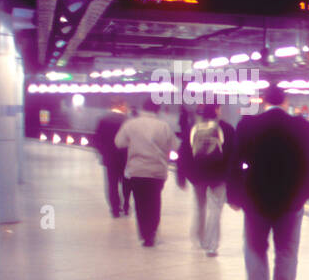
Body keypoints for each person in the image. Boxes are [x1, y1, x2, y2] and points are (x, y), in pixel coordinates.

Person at [227, 84, 309, 280]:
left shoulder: (248, 125)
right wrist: (301, 196)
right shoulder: (302, 126)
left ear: (263, 101)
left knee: (254, 248)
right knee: (287, 252)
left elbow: (234, 163)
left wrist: (234, 196)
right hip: (290, 203)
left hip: (255, 200)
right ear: (285, 101)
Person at [114, 99, 177, 247]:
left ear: (143, 108)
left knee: (140, 203)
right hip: (157, 171)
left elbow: (119, 142)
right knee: (155, 202)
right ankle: (152, 232)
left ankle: (144, 234)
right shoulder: (164, 126)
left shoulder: (131, 124)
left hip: (137, 170)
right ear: (157, 110)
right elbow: (174, 145)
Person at [178, 102, 235, 256]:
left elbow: (183, 152)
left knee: (200, 207)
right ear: (217, 110)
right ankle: (211, 246)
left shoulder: (192, 127)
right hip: (219, 175)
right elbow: (232, 155)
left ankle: (199, 239)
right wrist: (232, 176)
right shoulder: (227, 129)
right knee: (215, 209)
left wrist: (182, 176)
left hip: (198, 175)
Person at [93, 101, 130, 217]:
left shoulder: (103, 120)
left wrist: (104, 153)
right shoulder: (128, 120)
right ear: (121, 106)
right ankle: (126, 205)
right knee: (126, 183)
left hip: (110, 158)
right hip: (126, 157)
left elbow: (97, 139)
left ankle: (115, 208)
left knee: (112, 184)